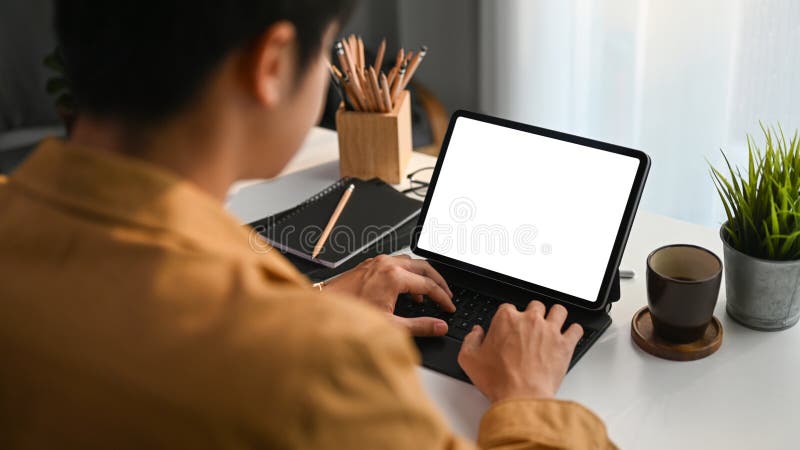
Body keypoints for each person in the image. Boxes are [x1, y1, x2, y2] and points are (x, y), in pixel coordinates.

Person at [0, 1, 616, 448]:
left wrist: (310, 294)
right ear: (270, 64)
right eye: (325, 51)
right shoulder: (321, 370)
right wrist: (528, 403)